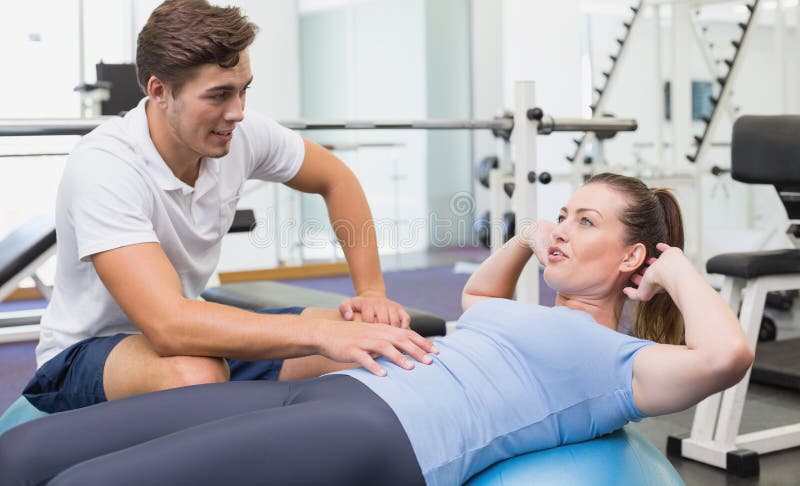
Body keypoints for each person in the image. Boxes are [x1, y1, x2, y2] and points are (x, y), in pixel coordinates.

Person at [0, 173, 754, 486]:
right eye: (563, 212)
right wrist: (531, 239)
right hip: (334, 390)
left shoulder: (621, 365)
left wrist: (673, 267)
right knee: (29, 451)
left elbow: (728, 353)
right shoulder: (521, 315)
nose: (561, 229)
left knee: (85, 485)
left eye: (583, 223)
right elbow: (480, 292)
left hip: (384, 437)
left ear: (630, 255)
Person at [22, 0, 436, 415]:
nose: (237, 112)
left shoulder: (239, 134)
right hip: (85, 357)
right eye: (219, 95)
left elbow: (337, 179)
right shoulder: (106, 165)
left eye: (243, 91)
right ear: (160, 91)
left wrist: (371, 293)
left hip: (191, 333)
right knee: (196, 374)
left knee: (371, 336)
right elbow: (168, 325)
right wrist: (314, 334)